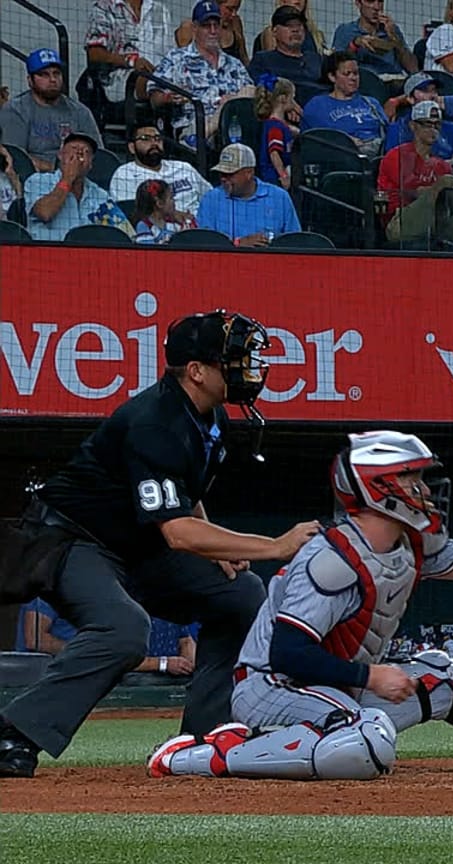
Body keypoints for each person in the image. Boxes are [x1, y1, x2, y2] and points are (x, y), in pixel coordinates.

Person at [145, 431, 453, 779]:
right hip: (271, 689)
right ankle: (204, 755)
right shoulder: (332, 558)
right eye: (412, 479)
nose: (425, 490)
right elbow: (285, 654)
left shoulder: (411, 541)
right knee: (367, 743)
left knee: (446, 676)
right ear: (380, 488)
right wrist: (371, 680)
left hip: (333, 683)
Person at [0, 311, 321, 779]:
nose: (247, 368)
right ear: (196, 371)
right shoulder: (154, 421)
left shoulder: (209, 417)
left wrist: (223, 548)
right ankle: (15, 732)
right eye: (233, 359)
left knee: (241, 594)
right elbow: (176, 532)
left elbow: (186, 501)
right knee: (123, 628)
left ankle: (206, 737)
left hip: (138, 546)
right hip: (73, 539)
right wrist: (272, 545)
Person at [377, 101, 453, 252]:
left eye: (437, 125)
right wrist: (452, 190)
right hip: (400, 222)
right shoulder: (398, 155)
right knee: (447, 182)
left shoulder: (442, 165)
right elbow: (413, 192)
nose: (433, 130)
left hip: (438, 221)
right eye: (427, 124)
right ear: (413, 126)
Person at [151, 0, 255, 149]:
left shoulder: (234, 64)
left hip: (234, 127)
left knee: (251, 91)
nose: (213, 31)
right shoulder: (176, 58)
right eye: (206, 26)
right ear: (195, 28)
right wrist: (166, 98)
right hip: (193, 125)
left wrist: (230, 101)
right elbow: (154, 98)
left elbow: (251, 96)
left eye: (216, 25)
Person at [16, 596, 198, 677]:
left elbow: (185, 639)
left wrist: (190, 664)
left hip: (118, 671)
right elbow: (35, 640)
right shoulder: (49, 592)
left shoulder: (112, 592)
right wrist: (88, 651)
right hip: (56, 672)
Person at [0, 49, 104, 173]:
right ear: (30, 80)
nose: (53, 79)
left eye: (56, 73)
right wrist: (58, 170)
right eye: (44, 74)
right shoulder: (15, 110)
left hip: (78, 178)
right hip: (31, 180)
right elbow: (16, 158)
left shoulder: (80, 112)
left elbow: (99, 155)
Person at [23, 132, 132, 242]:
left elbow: (123, 234)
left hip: (88, 255)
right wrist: (68, 178)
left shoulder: (100, 195)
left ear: (90, 164)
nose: (79, 153)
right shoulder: (38, 180)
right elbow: (44, 213)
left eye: (86, 151)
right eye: (74, 148)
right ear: (60, 155)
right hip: (47, 253)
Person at [196, 142, 301, 244]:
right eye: (222, 174)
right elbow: (204, 244)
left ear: (249, 173)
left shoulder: (279, 197)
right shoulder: (211, 199)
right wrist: (238, 244)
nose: (224, 179)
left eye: (229, 174)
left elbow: (295, 242)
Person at [84, 0, 178, 104]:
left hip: (159, 73)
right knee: (151, 81)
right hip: (122, 79)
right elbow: (94, 54)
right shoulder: (104, 7)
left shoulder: (160, 10)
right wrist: (132, 61)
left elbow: (169, 53)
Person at [111, 120, 213, 214]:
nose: (154, 143)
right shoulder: (124, 174)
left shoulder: (183, 167)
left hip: (196, 226)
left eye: (157, 138)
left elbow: (211, 197)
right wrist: (175, 216)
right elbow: (133, 215)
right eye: (145, 139)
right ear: (132, 147)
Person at [301, 51, 389, 156]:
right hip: (341, 156)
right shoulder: (317, 105)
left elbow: (387, 131)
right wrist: (346, 141)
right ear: (332, 77)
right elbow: (318, 139)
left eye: (356, 73)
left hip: (378, 152)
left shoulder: (372, 103)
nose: (353, 78)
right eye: (347, 74)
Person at [246, 6, 324, 104]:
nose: (295, 30)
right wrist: (288, 103)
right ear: (274, 31)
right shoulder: (263, 60)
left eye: (299, 25)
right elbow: (262, 87)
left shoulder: (318, 60)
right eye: (289, 26)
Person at [385, 72, 453, 160]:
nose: (433, 95)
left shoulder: (451, 128)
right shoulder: (398, 129)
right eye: (425, 91)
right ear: (410, 98)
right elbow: (392, 160)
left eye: (434, 90)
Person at [333, 0, 416, 78]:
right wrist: (355, 44)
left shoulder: (392, 29)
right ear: (358, 3)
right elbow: (336, 66)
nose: (377, 7)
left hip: (393, 83)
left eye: (380, 1)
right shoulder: (345, 31)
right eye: (370, 1)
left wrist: (395, 38)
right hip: (363, 84)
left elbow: (413, 69)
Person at [254, 75, 300, 188]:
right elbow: (274, 153)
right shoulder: (275, 126)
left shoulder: (280, 125)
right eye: (292, 98)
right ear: (283, 98)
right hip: (274, 179)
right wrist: (283, 175)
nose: (294, 103)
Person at [173, 0, 247, 65]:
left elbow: (244, 57)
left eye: (236, 9)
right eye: (229, 9)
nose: (233, 14)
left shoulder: (235, 23)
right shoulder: (189, 28)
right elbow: (182, 59)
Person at [131, 177, 196, 244]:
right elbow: (147, 251)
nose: (174, 201)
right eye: (171, 198)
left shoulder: (174, 223)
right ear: (160, 203)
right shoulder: (144, 225)